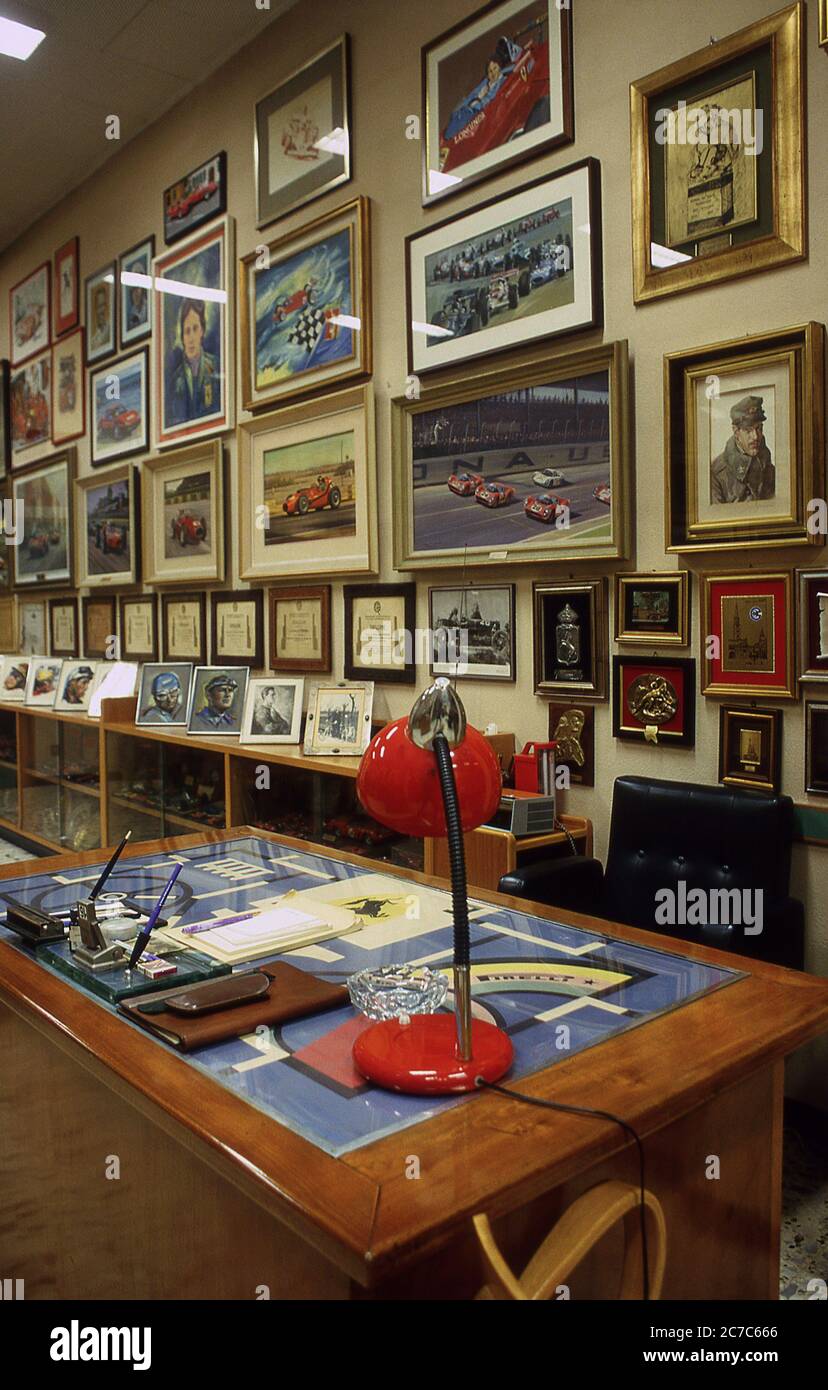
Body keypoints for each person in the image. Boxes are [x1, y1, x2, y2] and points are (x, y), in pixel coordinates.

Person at [710, 395, 775, 503]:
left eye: (759, 428)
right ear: (736, 432)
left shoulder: (767, 466)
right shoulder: (717, 474)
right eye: (748, 430)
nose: (755, 436)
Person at [169, 298, 219, 424]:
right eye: (187, 331)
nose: (191, 338)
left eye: (195, 329)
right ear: (182, 336)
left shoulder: (216, 366)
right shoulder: (176, 379)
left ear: (202, 331)